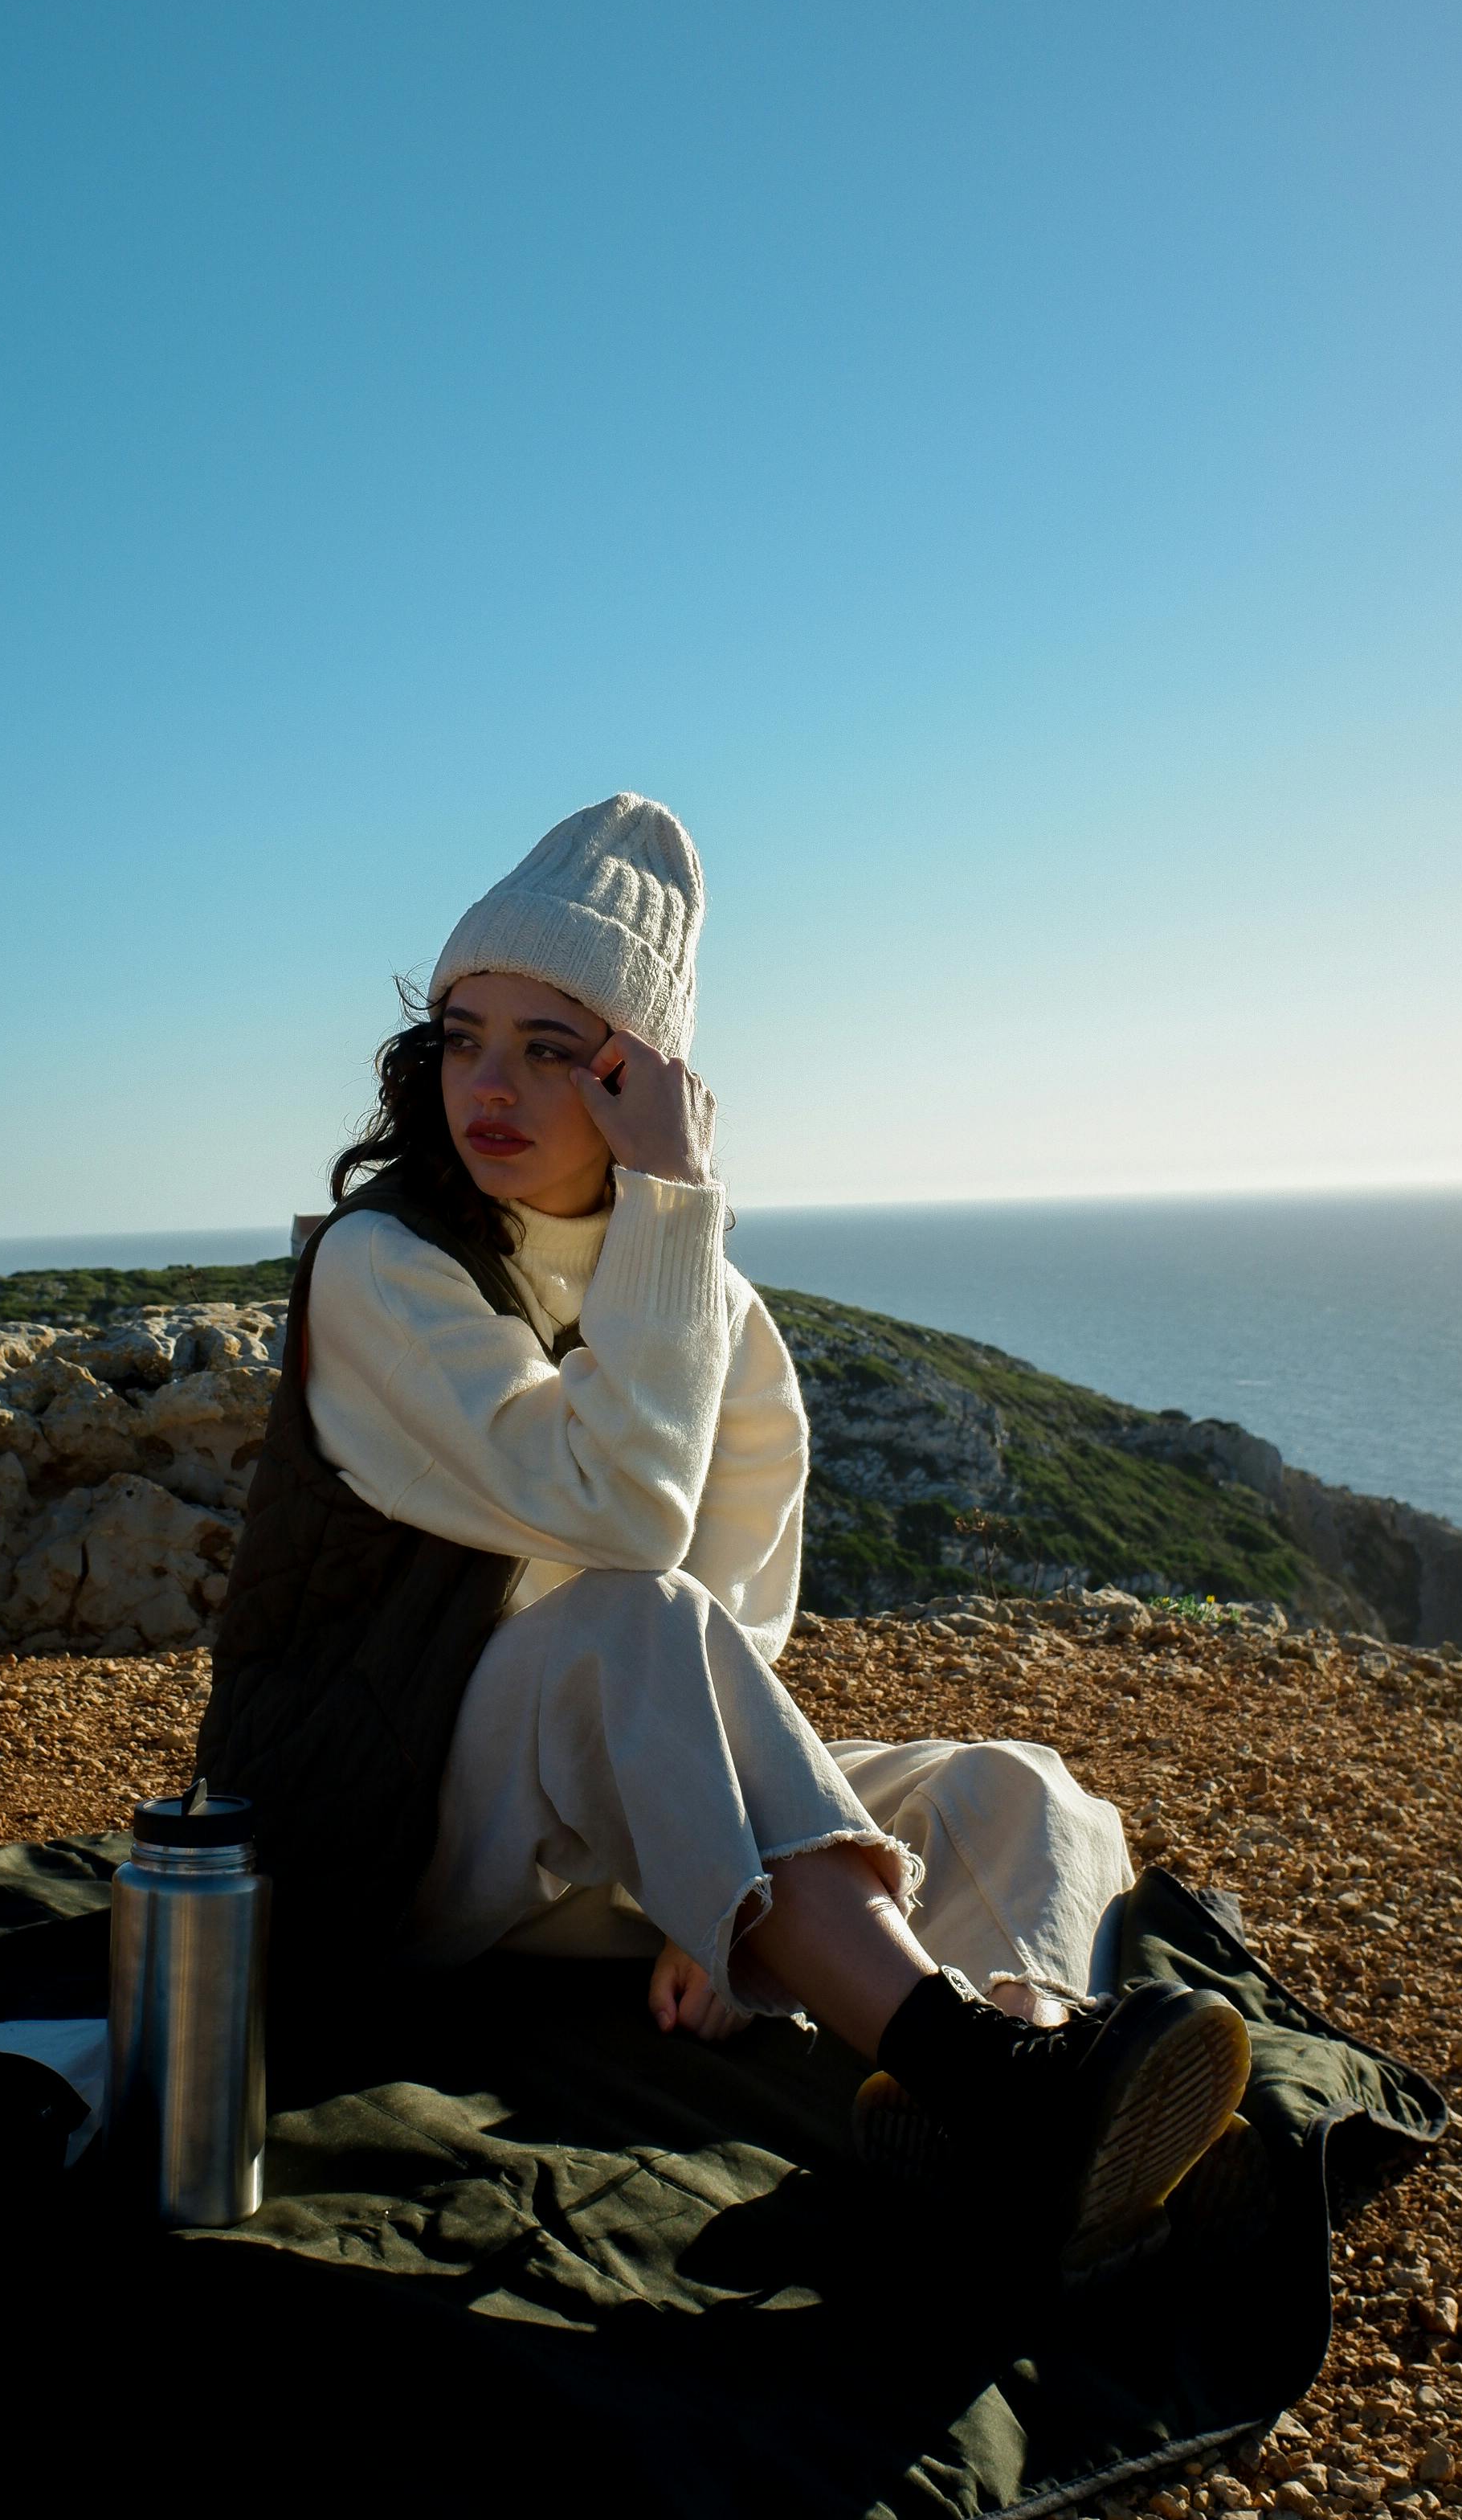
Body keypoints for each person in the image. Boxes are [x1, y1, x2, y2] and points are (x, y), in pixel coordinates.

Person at [202, 794, 1249, 2277]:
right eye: (461, 1035)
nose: (487, 1085)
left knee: (1024, 1791)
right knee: (631, 1617)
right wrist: (678, 1204)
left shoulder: (716, 1314)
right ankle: (988, 2082)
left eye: (549, 1047)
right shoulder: (386, 1269)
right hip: (387, 1838)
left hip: (600, 1852)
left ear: (638, 1073)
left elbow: (739, 1610)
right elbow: (627, 1529)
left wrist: (714, 1880)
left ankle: (1013, 2085)